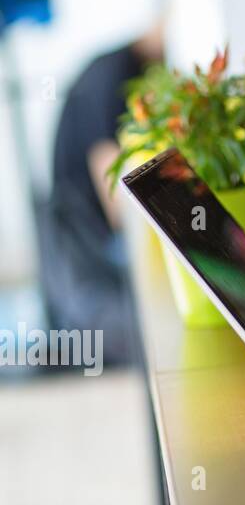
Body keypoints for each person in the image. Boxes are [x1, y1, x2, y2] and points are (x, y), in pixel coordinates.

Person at [39, 23, 164, 368]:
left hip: (87, 219)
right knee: (148, 323)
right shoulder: (115, 71)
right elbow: (108, 170)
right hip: (84, 223)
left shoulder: (123, 65)